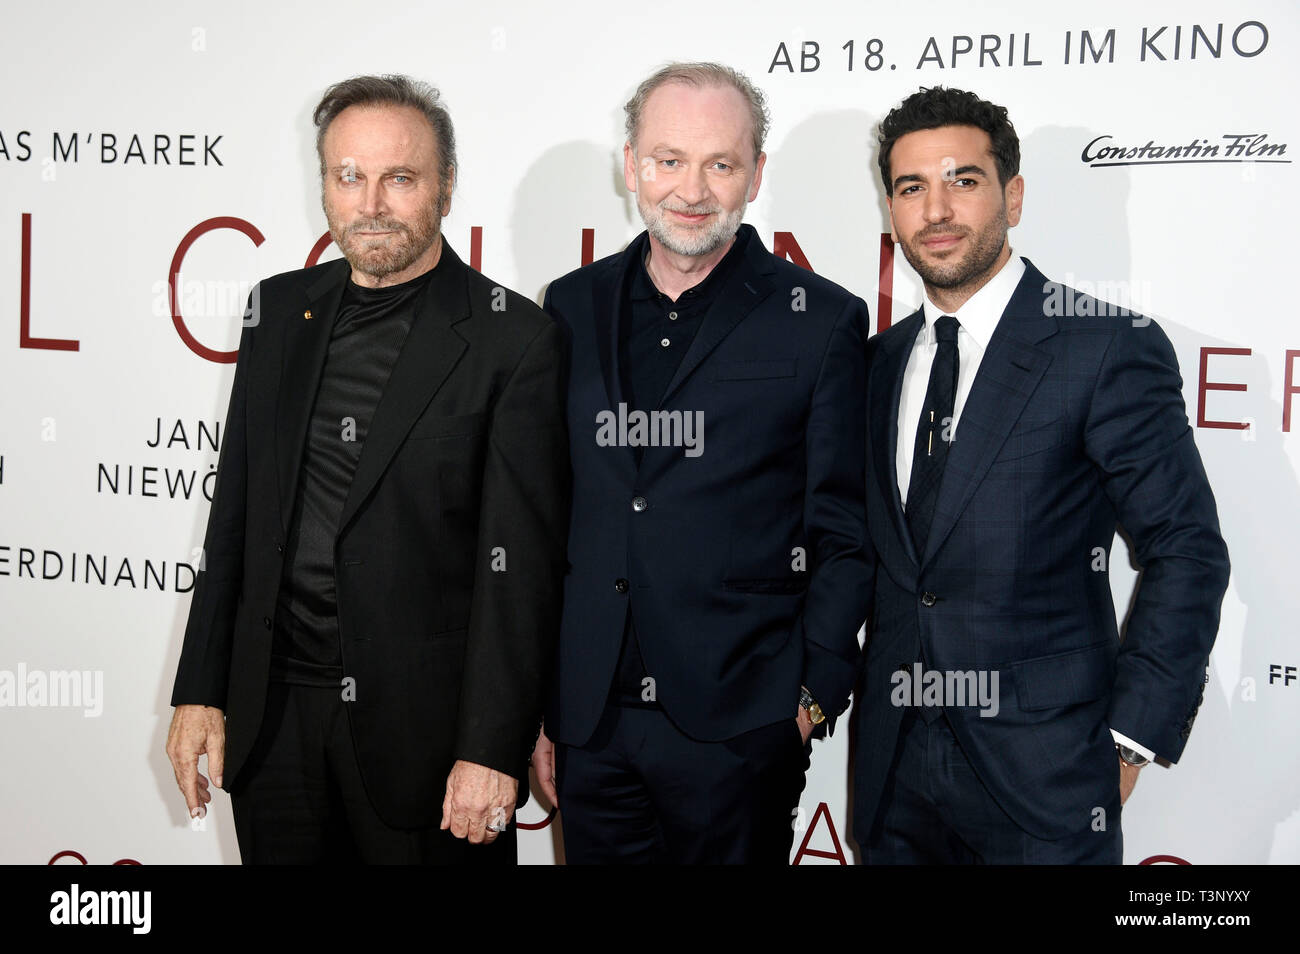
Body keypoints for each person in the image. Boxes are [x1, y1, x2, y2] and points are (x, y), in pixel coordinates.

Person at [164, 74, 569, 864]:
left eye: (400, 177)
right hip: (273, 723)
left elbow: (520, 574)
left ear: (445, 186)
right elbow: (234, 514)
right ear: (324, 184)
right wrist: (201, 688)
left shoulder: (513, 341)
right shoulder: (277, 311)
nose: (372, 203)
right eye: (349, 176)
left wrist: (491, 749)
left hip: (428, 745)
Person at [853, 86, 1230, 863]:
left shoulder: (1103, 347)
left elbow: (1186, 547)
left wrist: (1129, 740)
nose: (936, 210)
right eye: (911, 188)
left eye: (963, 180)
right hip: (894, 777)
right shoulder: (878, 363)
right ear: (891, 210)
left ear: (1013, 196)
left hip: (1047, 779)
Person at [531, 62, 871, 864]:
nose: (691, 189)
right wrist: (545, 703)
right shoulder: (570, 304)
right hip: (591, 721)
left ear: (756, 174)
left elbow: (844, 527)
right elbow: (550, 511)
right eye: (668, 160)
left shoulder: (820, 318)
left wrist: (811, 698)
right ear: (631, 167)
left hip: (742, 726)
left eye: (720, 163)